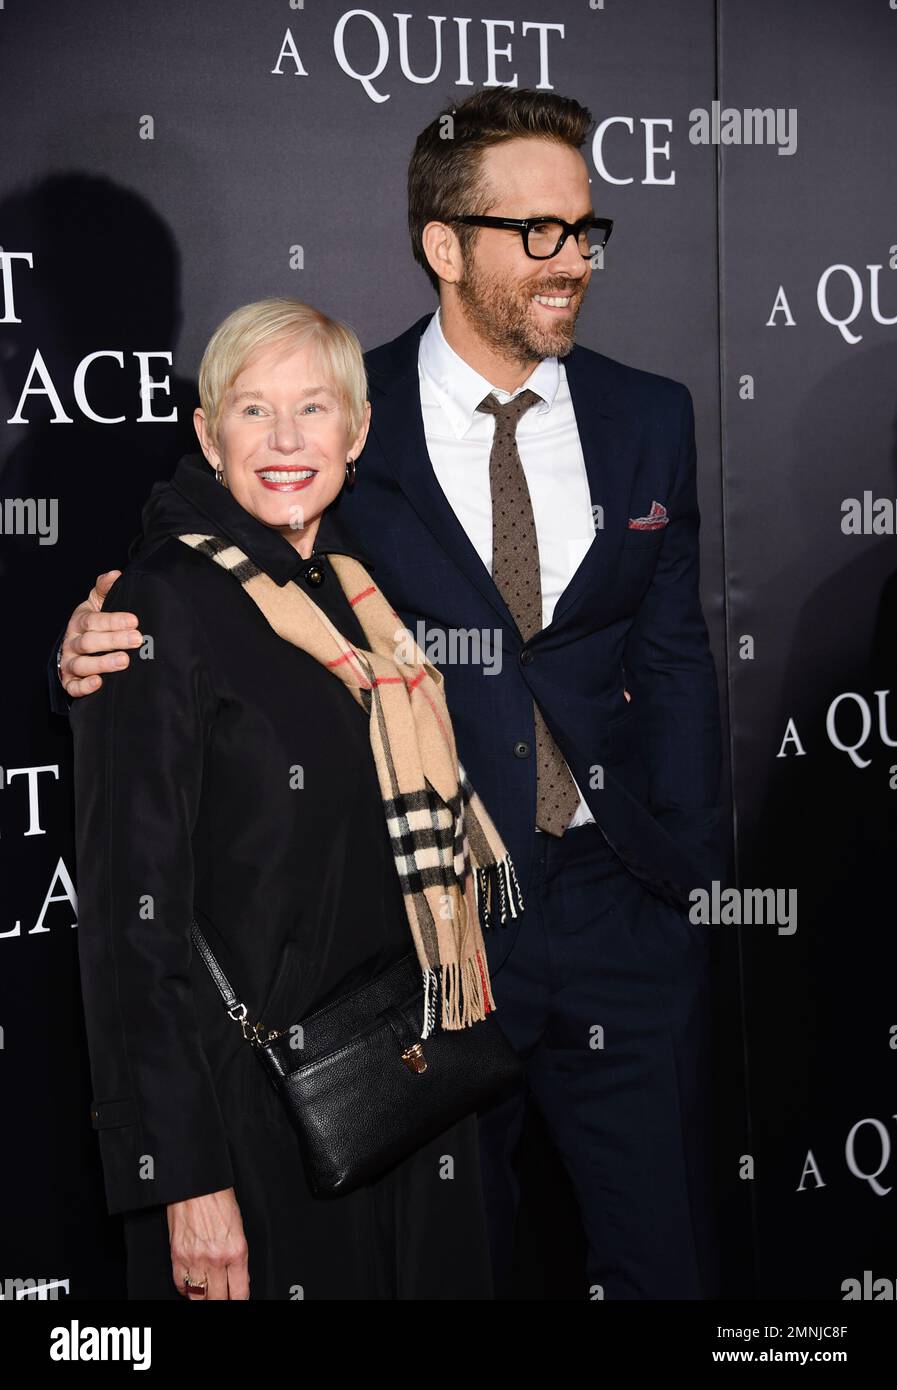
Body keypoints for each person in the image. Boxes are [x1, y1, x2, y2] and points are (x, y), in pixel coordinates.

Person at [52, 86, 725, 1299]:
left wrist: (684, 861)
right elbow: (214, 528)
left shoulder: (652, 416)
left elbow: (671, 650)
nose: (569, 258)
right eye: (536, 232)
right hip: (433, 941)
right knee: (455, 1262)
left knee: (662, 1262)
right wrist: (99, 627)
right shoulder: (351, 422)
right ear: (444, 246)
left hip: (620, 907)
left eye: (582, 229)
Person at [65, 297, 505, 1300]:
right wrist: (184, 1180)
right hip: (248, 1123)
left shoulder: (357, 589)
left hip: (402, 1081)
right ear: (207, 434)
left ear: (355, 429)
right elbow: (133, 926)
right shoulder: (156, 604)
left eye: (312, 408)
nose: (284, 440)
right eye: (252, 411)